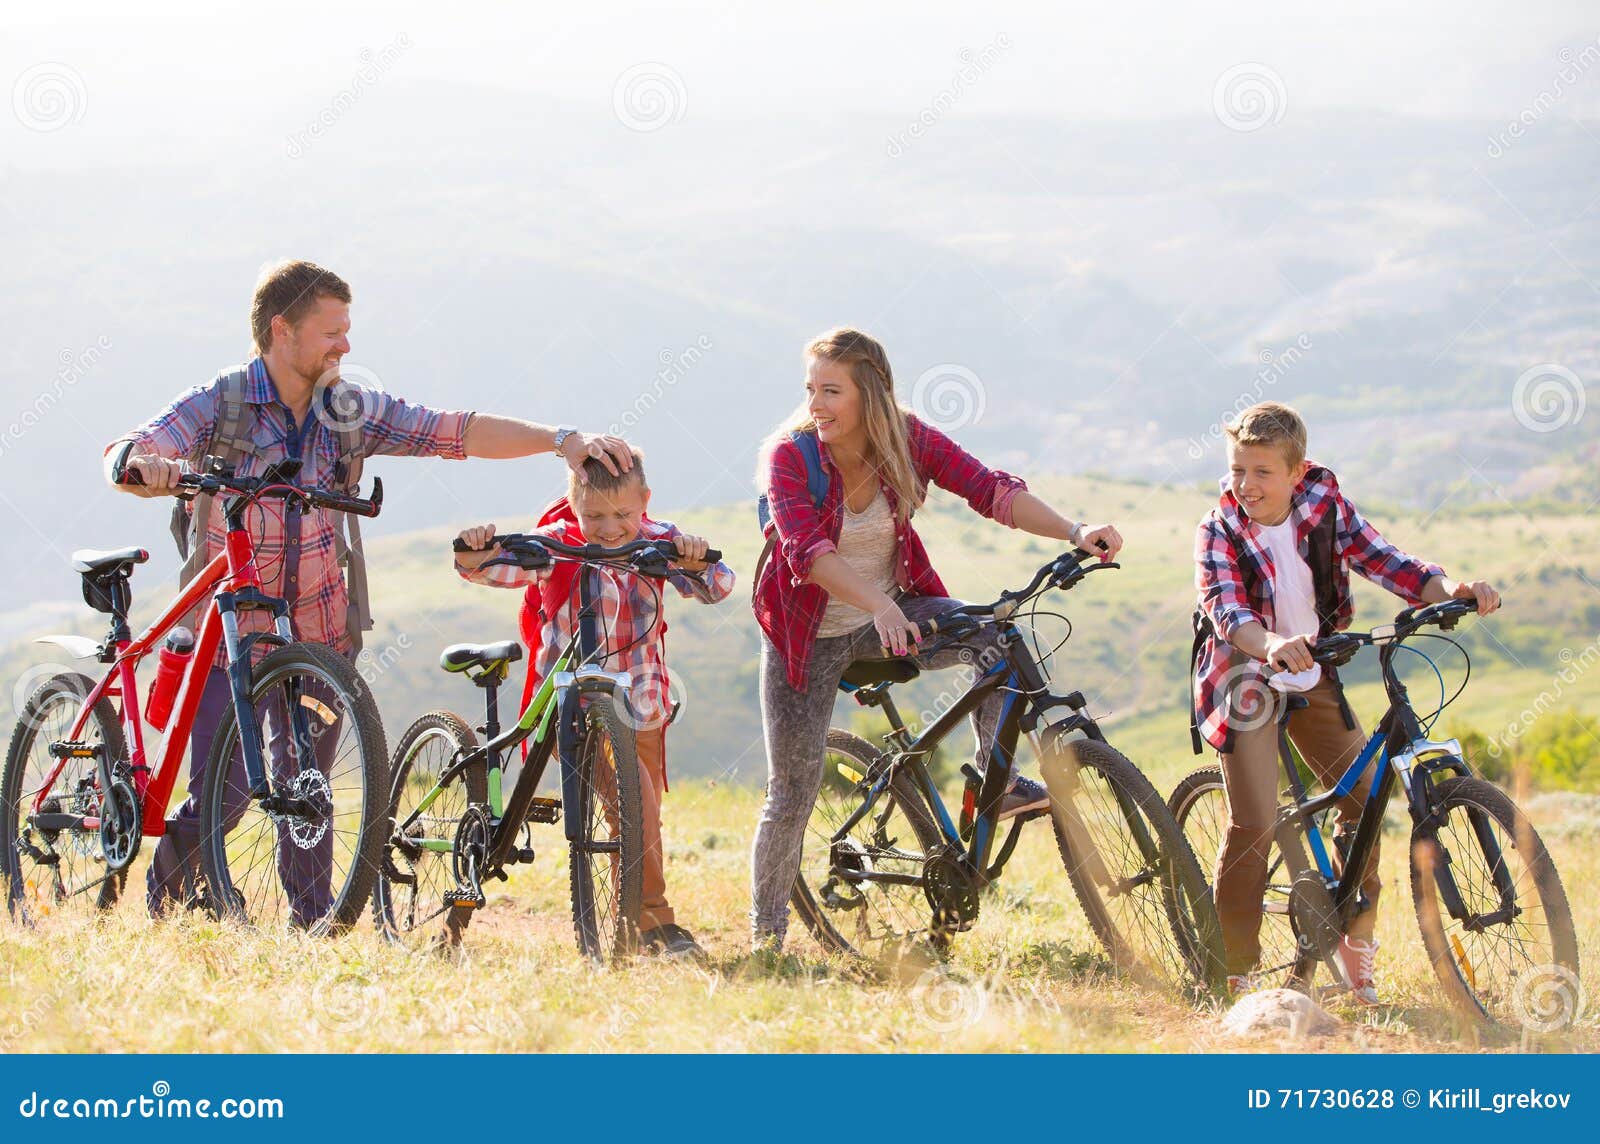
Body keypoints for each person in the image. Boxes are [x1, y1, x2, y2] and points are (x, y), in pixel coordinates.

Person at [104, 258, 634, 923]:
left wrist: (561, 441)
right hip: (229, 637)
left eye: (347, 331)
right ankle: (170, 895)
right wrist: (139, 465)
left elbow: (453, 431)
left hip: (321, 633)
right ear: (282, 330)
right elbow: (139, 443)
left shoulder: (347, 409)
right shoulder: (226, 402)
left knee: (308, 788)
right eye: (332, 331)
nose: (345, 346)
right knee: (228, 792)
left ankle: (313, 922)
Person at [748, 326, 1123, 952]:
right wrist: (877, 605)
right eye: (810, 388)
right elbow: (805, 554)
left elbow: (990, 490)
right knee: (792, 790)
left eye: (830, 390)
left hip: (893, 611)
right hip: (807, 635)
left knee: (994, 639)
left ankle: (994, 786)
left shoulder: (907, 439)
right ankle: (768, 937)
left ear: (871, 393)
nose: (815, 404)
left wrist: (1073, 529)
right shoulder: (792, 456)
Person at [1192, 400, 1500, 1002]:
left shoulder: (1323, 502)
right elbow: (1227, 612)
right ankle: (1232, 969)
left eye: (1261, 472)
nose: (1245, 485)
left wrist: (1451, 590)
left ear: (1297, 470)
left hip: (1315, 672)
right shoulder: (1218, 529)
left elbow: (1386, 562)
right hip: (1247, 680)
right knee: (1254, 822)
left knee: (1364, 798)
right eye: (1237, 470)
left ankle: (1353, 945)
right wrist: (1274, 642)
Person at [455, 447, 735, 959]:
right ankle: (655, 924)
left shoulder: (658, 541)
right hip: (576, 711)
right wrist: (474, 550)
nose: (609, 529)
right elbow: (488, 568)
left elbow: (719, 584)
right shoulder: (558, 546)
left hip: (642, 703)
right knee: (636, 803)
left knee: (634, 810)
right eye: (594, 516)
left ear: (644, 501)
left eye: (623, 514)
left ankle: (631, 917)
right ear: (572, 505)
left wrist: (693, 556)